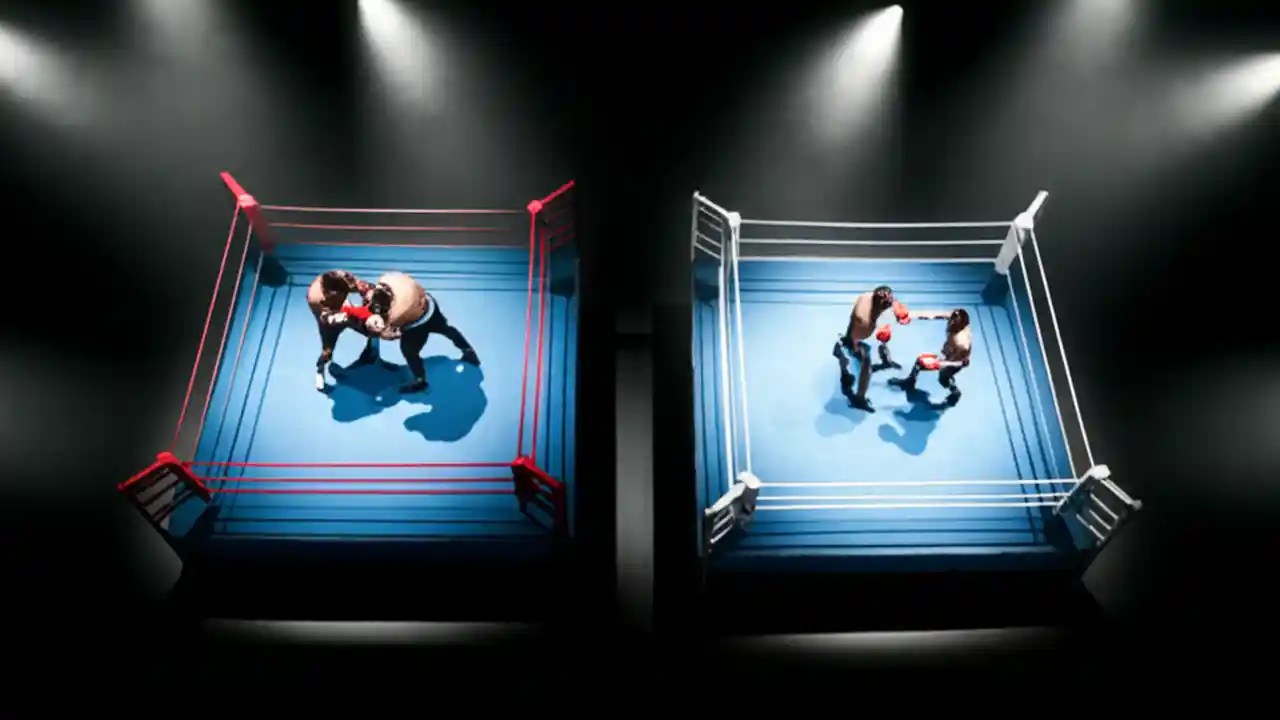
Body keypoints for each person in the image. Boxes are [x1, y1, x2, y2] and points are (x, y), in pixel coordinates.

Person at [365, 272, 480, 394]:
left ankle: (420, 382)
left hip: (417, 325)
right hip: (430, 306)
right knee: (446, 329)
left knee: (409, 350)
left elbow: (389, 332)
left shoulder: (398, 311)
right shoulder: (392, 280)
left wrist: (378, 324)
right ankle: (468, 351)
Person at [832, 285, 910, 412]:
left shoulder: (869, 296)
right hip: (856, 338)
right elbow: (857, 341)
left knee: (884, 337)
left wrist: (895, 312)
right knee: (866, 361)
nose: (889, 305)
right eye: (885, 305)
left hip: (864, 329)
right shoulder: (864, 322)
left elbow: (889, 302)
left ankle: (886, 360)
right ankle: (859, 398)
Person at [308, 270, 382, 391]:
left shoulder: (344, 278)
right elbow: (326, 318)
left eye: (340, 292)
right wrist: (344, 317)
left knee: (374, 328)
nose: (338, 295)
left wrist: (370, 297)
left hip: (346, 310)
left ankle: (371, 351)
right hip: (329, 322)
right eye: (333, 294)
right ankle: (320, 371)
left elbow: (365, 287)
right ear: (326, 290)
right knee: (327, 351)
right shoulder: (315, 297)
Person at [889, 308, 973, 406]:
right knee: (920, 362)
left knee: (943, 379)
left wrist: (939, 363)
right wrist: (910, 315)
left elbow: (963, 362)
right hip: (948, 353)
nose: (950, 323)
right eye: (951, 320)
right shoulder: (954, 319)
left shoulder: (962, 342)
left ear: (960, 325)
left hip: (954, 361)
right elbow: (934, 315)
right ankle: (910, 382)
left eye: (953, 322)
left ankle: (955, 392)